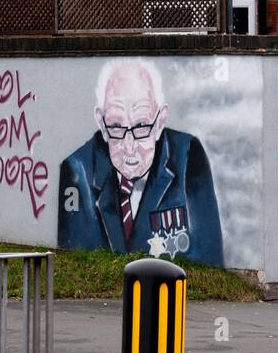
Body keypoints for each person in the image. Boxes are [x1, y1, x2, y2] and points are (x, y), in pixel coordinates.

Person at [57, 60, 223, 263]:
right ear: (101, 123)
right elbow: (78, 263)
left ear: (160, 121)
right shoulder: (77, 170)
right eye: (116, 127)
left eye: (141, 126)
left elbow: (210, 259)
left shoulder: (187, 156)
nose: (129, 146)